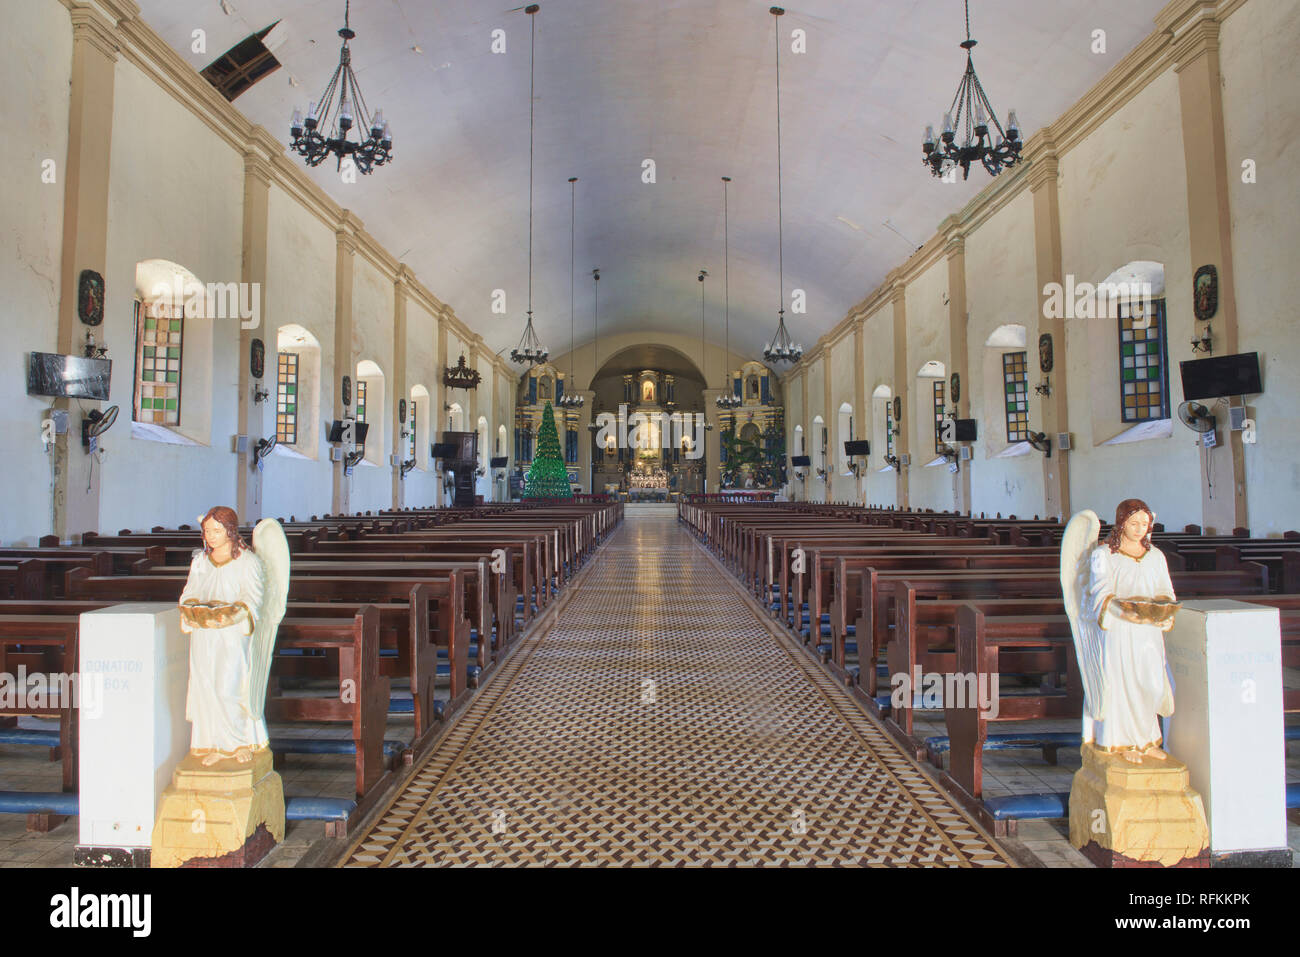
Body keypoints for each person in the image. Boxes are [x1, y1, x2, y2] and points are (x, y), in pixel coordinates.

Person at [1079, 499, 1178, 763]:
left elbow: (1165, 590)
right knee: (1124, 685)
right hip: (1119, 631)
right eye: (1134, 523)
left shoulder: (1156, 556)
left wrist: (1163, 608)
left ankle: (1146, 740)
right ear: (1121, 522)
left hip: (1148, 631)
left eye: (1144, 524)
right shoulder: (1104, 555)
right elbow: (1099, 592)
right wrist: (1124, 609)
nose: (1139, 529)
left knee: (1151, 683)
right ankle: (1122, 742)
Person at [178, 507, 269, 766]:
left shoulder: (247, 561)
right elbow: (188, 593)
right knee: (206, 686)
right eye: (207, 531)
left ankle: (239, 741)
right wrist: (193, 608)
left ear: (230, 530)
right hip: (204, 634)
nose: (212, 536)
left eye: (217, 531)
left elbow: (254, 598)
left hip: (231, 636)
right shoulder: (200, 562)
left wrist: (232, 613)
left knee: (230, 686)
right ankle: (213, 743)